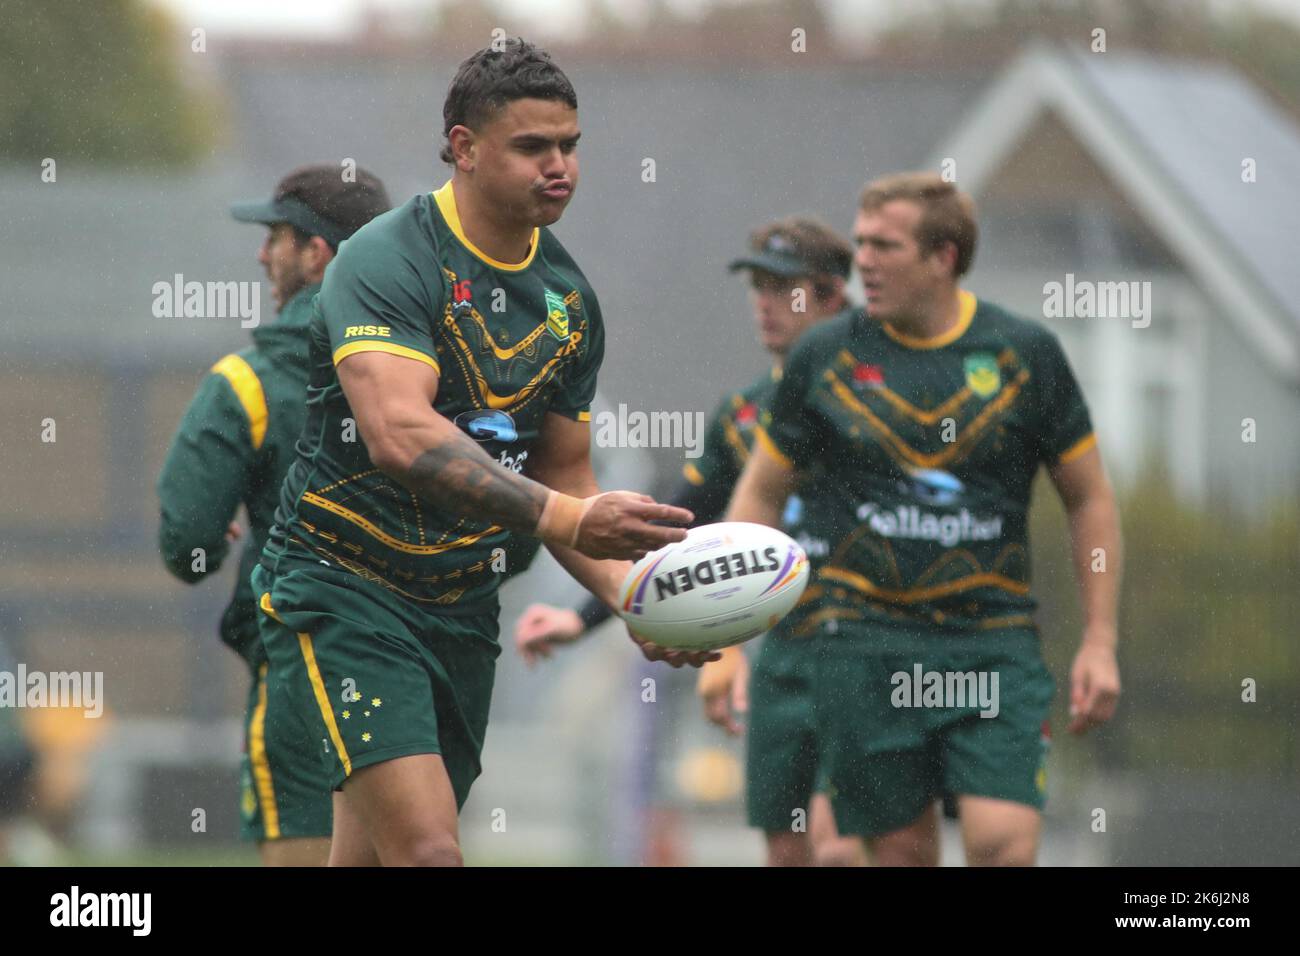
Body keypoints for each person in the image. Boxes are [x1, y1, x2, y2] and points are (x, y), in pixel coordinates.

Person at [251, 38, 714, 868]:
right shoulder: (385, 259)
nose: (559, 166)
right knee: (431, 851)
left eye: (569, 145)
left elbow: (566, 474)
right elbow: (399, 434)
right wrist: (568, 517)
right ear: (463, 147)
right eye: (532, 146)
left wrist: (633, 599)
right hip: (345, 591)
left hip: (462, 610)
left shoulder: (570, 301)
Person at [720, 172, 1122, 865]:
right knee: (900, 854)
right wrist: (726, 631)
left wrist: (1100, 640)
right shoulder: (825, 356)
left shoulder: (1022, 354)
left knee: (1003, 843)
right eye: (861, 244)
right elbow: (759, 495)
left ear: (943, 257)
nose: (864, 263)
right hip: (864, 648)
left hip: (990, 641)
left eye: (885, 246)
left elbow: (1089, 498)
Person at [515, 217, 867, 866]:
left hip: (872, 651)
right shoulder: (744, 413)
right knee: (789, 851)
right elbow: (676, 530)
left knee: (840, 845)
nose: (764, 303)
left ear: (831, 296)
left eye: (783, 288)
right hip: (784, 659)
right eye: (757, 286)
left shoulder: (879, 394)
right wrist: (581, 617)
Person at [157, 164, 392, 865]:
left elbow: (186, 542)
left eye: (277, 237)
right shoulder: (435, 373)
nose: (262, 254)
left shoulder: (247, 382)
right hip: (416, 673)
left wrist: (215, 537)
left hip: (301, 671)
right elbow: (509, 525)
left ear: (316, 254)